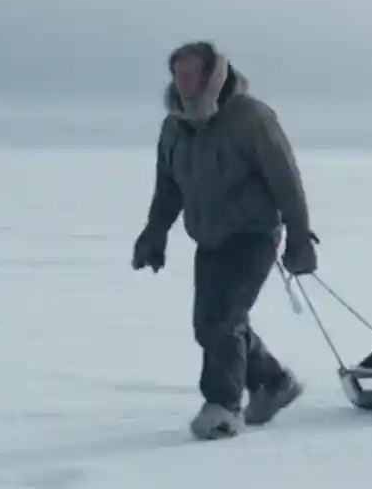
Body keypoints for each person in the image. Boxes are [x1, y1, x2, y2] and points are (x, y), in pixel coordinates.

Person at [132, 41, 318, 440]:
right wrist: (154, 234)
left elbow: (286, 180)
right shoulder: (174, 126)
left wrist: (299, 237)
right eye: (176, 75)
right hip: (210, 238)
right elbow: (168, 189)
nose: (181, 83)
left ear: (212, 76)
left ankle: (222, 408)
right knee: (209, 326)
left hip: (252, 235)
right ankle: (272, 381)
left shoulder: (251, 118)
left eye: (189, 75)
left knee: (223, 320)